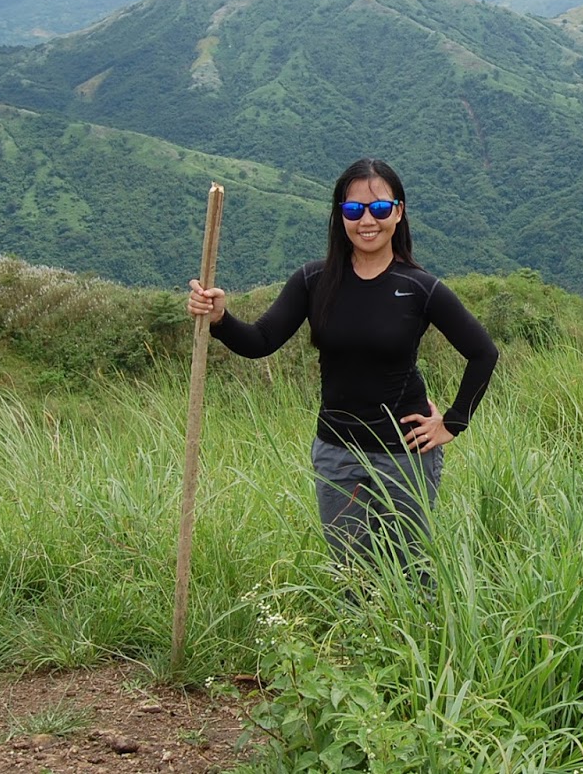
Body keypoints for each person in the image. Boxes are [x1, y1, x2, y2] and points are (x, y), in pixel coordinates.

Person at [185, 157, 498, 577]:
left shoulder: (421, 287)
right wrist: (221, 319)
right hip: (336, 452)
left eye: (380, 208)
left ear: (399, 212)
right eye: (353, 210)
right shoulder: (313, 281)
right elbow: (260, 342)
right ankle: (355, 643)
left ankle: (413, 643)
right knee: (351, 574)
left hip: (404, 455)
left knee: (409, 574)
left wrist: (452, 423)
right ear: (340, 216)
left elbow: (483, 353)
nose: (367, 220)